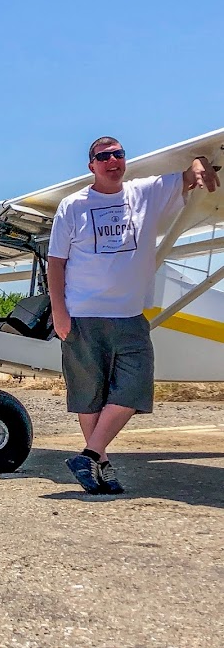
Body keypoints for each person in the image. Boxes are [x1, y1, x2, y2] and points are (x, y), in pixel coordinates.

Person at [47, 136, 219, 494]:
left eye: (118, 155)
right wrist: (59, 313)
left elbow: (188, 175)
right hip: (82, 315)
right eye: (103, 156)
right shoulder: (72, 205)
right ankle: (100, 466)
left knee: (136, 386)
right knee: (89, 394)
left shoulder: (145, 192)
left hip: (129, 315)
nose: (113, 161)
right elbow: (55, 263)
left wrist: (201, 164)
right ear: (91, 165)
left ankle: (89, 454)